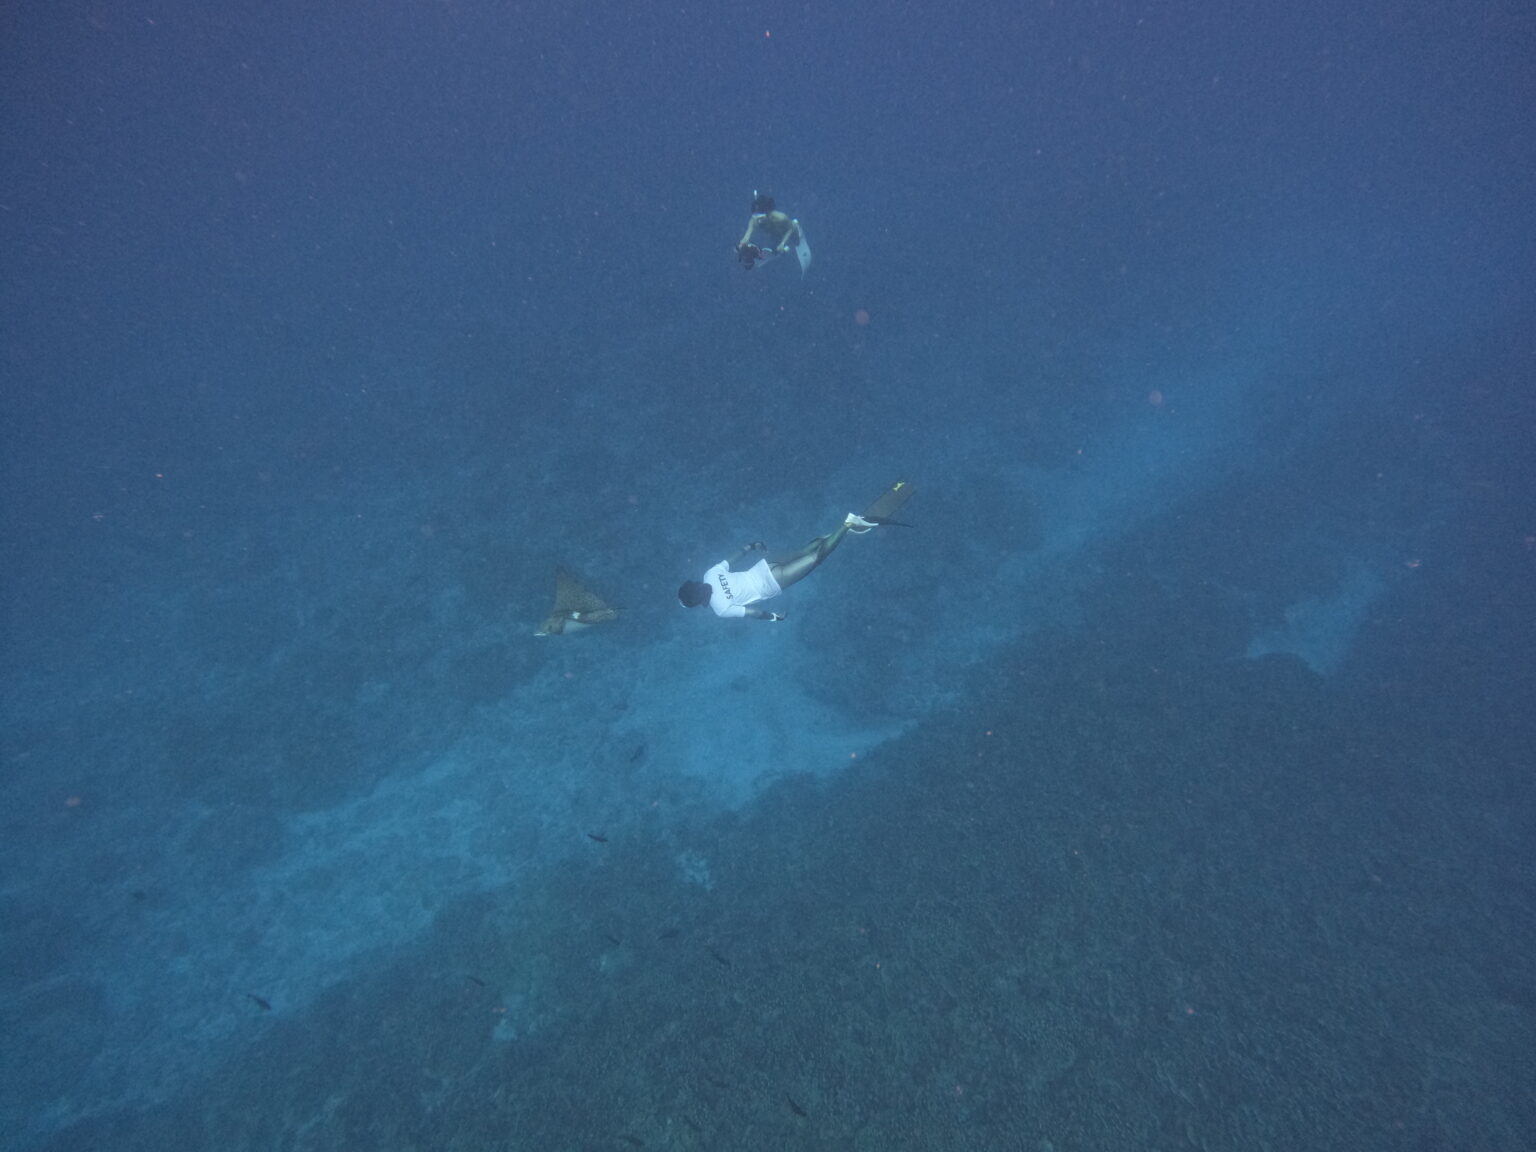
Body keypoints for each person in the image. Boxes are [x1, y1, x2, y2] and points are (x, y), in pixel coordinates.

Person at [678, 482, 913, 622]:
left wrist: (773, 618)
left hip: (773, 583)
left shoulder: (720, 609)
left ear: (697, 602)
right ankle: (840, 531)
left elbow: (754, 613)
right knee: (807, 549)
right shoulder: (709, 574)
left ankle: (849, 525)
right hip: (764, 564)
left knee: (817, 558)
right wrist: (752, 546)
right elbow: (735, 555)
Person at [735, 190, 804, 271]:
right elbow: (747, 235)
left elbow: (790, 229)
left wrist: (783, 243)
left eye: (760, 216)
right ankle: (782, 250)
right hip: (775, 234)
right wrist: (742, 244)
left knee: (797, 242)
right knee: (777, 250)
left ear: (767, 212)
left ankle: (796, 225)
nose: (758, 219)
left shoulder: (781, 218)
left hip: (789, 229)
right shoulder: (754, 221)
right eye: (755, 215)